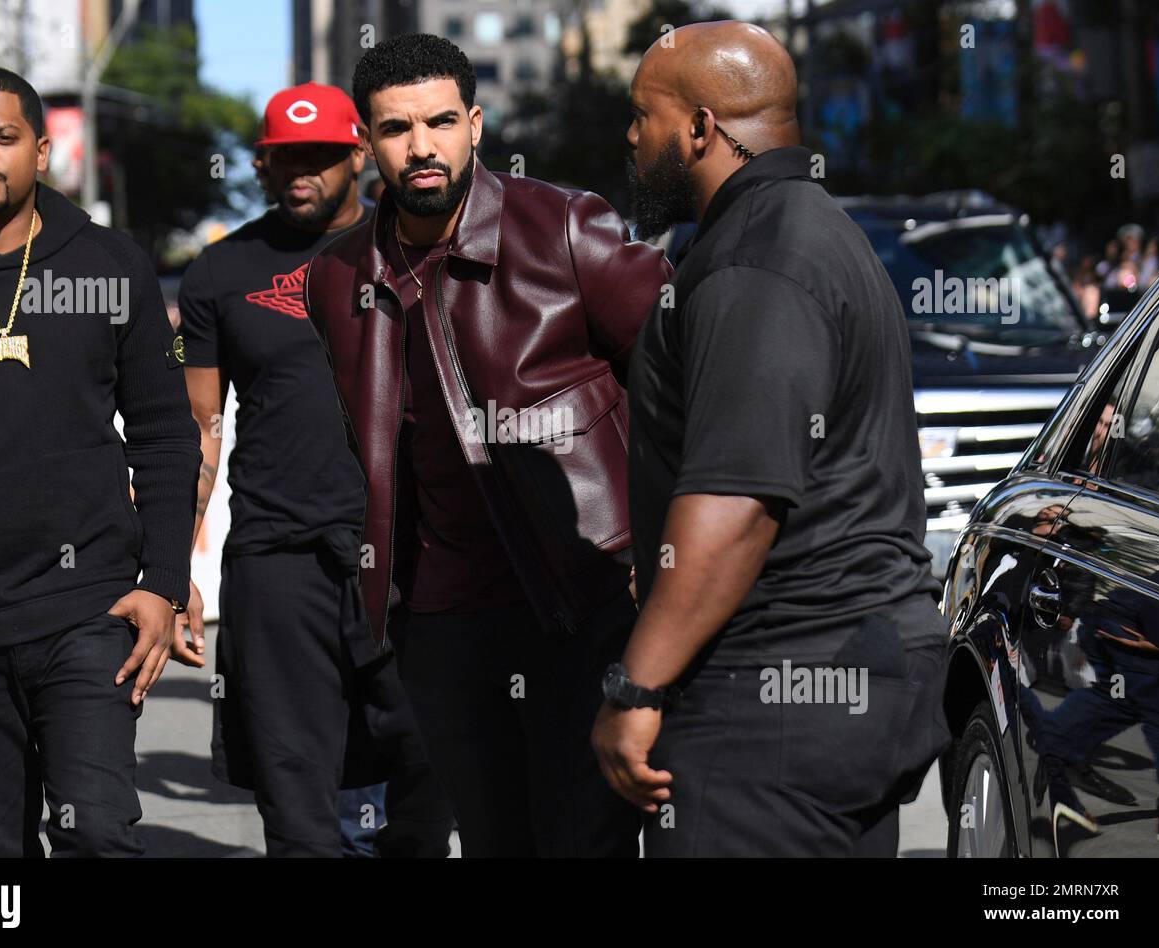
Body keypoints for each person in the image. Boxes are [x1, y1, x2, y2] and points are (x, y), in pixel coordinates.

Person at [304, 33, 670, 856]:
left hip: (587, 603)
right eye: (396, 129)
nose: (421, 147)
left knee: (585, 842)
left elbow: (687, 377)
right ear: (366, 142)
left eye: (440, 122)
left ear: (476, 123)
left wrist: (667, 538)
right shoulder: (337, 277)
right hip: (442, 627)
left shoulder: (566, 229)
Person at [591, 21, 950, 857]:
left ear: (700, 128)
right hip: (837, 677)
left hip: (774, 692)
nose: (632, 137)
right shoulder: (809, 229)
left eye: (643, 115)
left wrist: (635, 685)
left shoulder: (756, 260)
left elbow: (738, 501)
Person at [0, 67, 200, 856]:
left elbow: (163, 433)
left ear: (42, 151)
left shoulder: (112, 265)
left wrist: (159, 581)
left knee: (98, 832)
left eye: (4, 137)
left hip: (90, 608)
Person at [177, 83, 453, 858]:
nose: (301, 172)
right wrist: (171, 561)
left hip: (412, 553)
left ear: (359, 154)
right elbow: (197, 430)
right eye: (283, 159)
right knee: (296, 804)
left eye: (320, 158)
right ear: (262, 166)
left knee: (424, 791)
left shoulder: (415, 245)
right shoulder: (220, 272)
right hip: (278, 558)